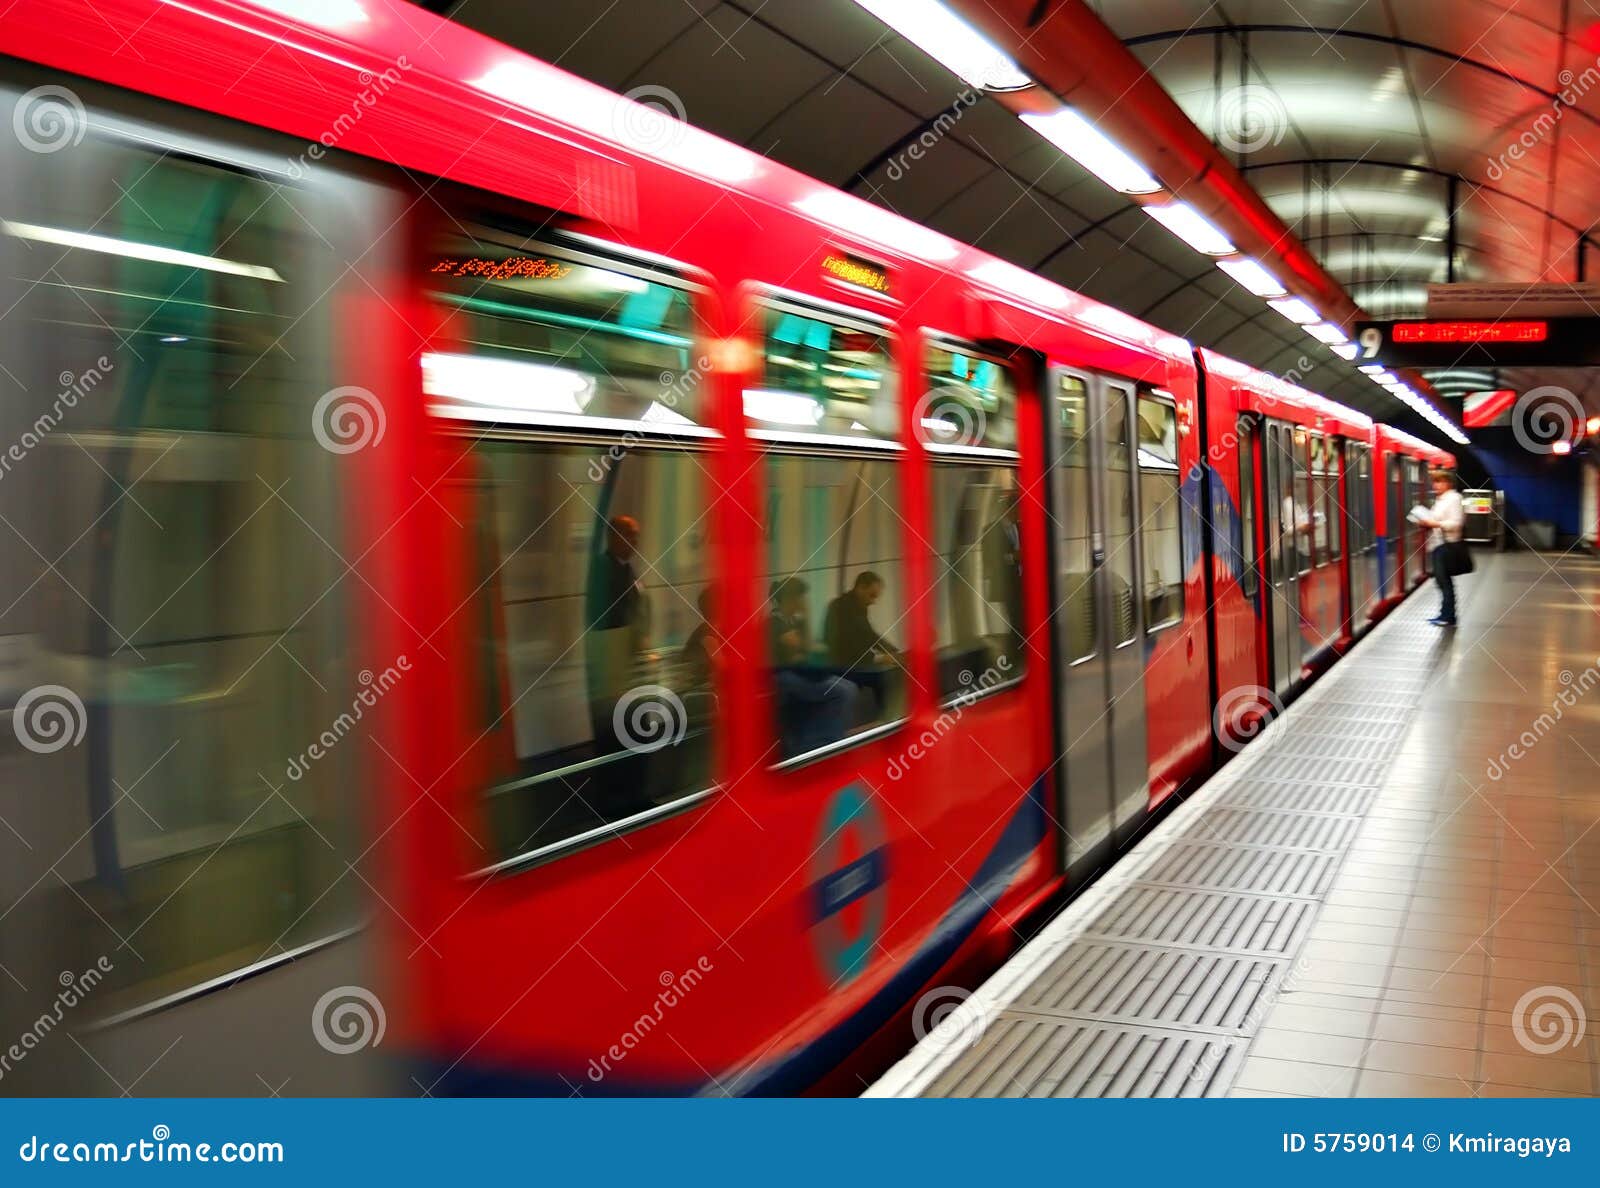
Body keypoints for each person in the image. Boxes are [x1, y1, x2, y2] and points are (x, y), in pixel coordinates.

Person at [769, 577, 856, 757]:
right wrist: (807, 615)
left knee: (849, 686)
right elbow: (803, 646)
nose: (803, 602)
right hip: (781, 677)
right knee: (841, 692)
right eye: (801, 598)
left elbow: (806, 649)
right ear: (791, 598)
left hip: (796, 672)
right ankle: (823, 742)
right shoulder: (774, 622)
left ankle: (829, 738)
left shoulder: (791, 621)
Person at [1414, 469, 1465, 626]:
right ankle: (1445, 614)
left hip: (1447, 545)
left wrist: (1433, 523)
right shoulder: (1441, 499)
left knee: (1445, 582)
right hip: (1438, 545)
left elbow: (1456, 524)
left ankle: (1448, 616)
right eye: (1435, 482)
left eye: (1440, 481)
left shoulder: (1454, 499)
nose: (1436, 485)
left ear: (1448, 483)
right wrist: (1425, 522)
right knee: (1442, 582)